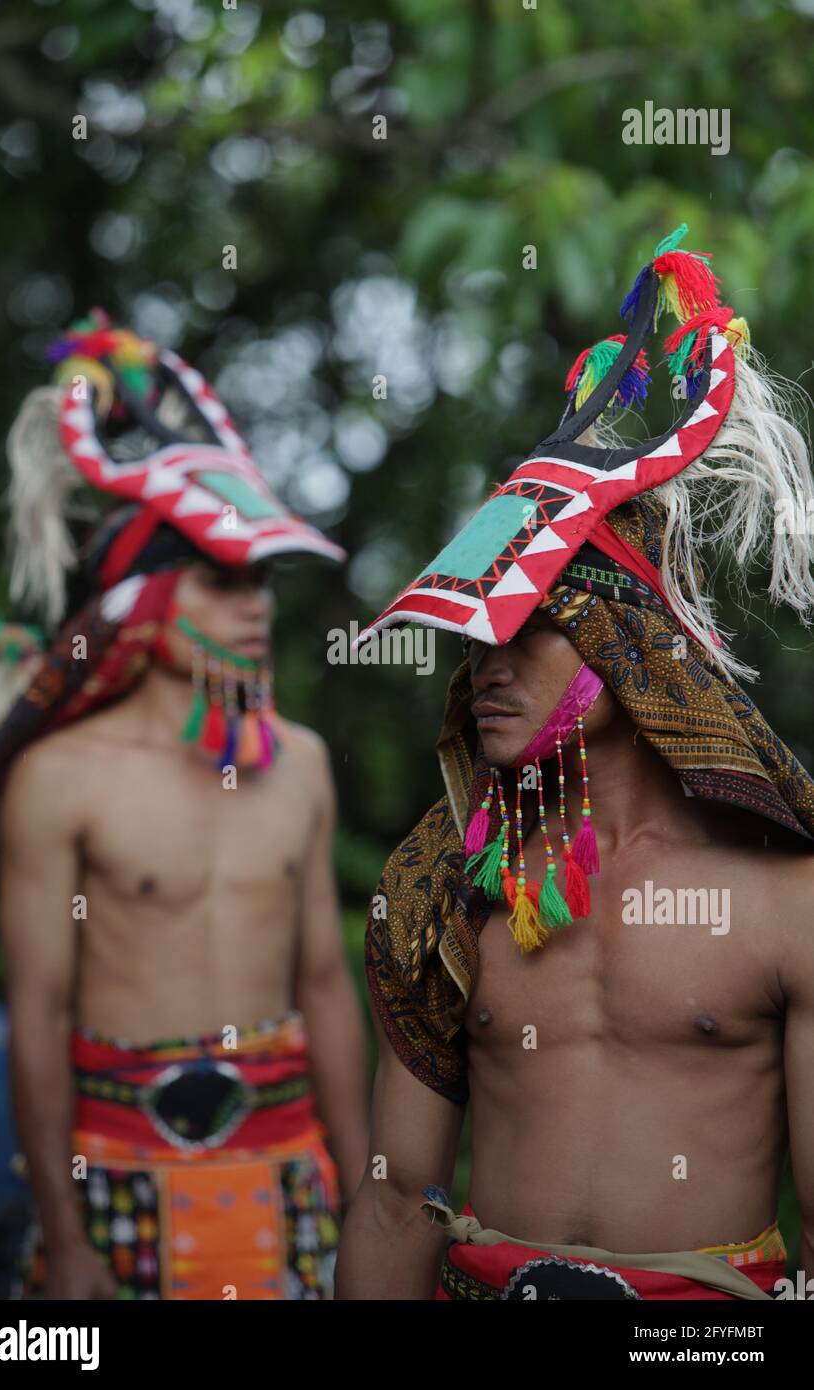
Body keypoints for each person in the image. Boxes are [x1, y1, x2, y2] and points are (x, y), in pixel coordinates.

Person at [338, 227, 814, 1301]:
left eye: (528, 629)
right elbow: (390, 1201)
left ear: (623, 646)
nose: (484, 667)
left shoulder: (785, 891)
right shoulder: (442, 887)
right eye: (477, 633)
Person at [0, 314, 368, 1300]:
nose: (255, 605)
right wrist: (66, 1234)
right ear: (144, 598)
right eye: (224, 581)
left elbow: (324, 986)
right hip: (114, 1177)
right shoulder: (60, 776)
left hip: (284, 1172)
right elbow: (39, 1016)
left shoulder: (300, 763)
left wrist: (369, 1193)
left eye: (260, 580)